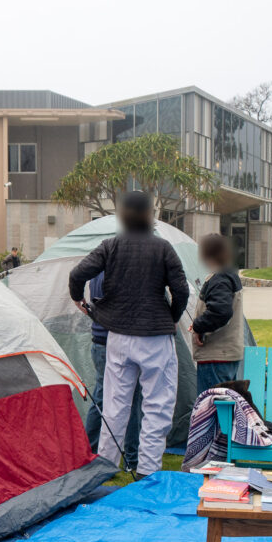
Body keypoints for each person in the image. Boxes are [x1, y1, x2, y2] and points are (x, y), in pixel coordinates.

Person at [69, 190, 189, 476]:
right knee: (156, 408)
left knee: (115, 406)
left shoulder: (111, 246)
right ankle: (146, 473)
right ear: (151, 215)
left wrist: (80, 301)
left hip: (119, 337)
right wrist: (171, 318)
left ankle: (106, 470)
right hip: (156, 339)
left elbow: (77, 275)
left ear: (122, 216)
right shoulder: (163, 248)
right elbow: (181, 290)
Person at [83, 270, 142, 472]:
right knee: (131, 400)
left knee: (101, 398)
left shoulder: (95, 276)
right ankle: (131, 459)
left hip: (99, 342)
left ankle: (89, 452)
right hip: (118, 343)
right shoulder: (119, 274)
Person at [192, 234, 245, 395]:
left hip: (216, 356)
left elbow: (221, 312)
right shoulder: (229, 275)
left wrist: (198, 327)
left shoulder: (220, 279)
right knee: (225, 409)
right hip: (227, 354)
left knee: (211, 409)